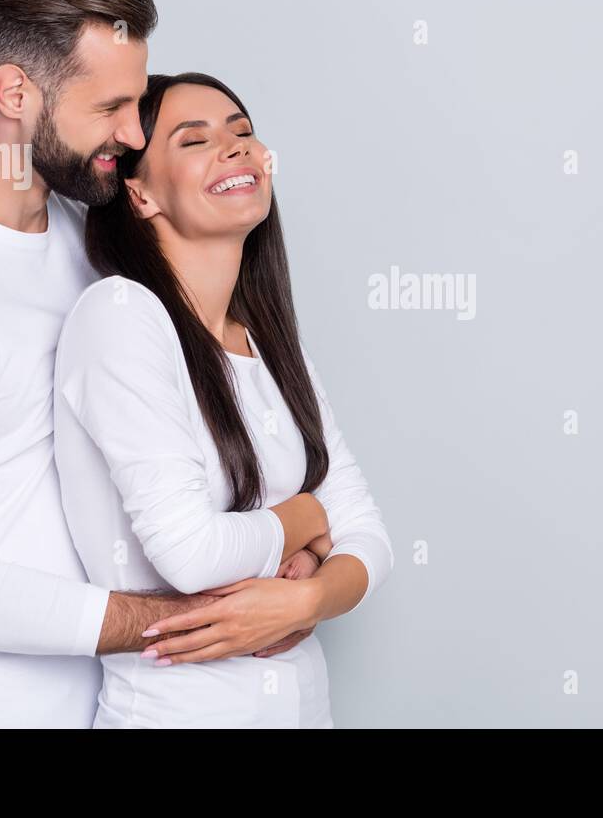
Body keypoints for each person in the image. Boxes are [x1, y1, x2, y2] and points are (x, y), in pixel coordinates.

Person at [0, 0, 309, 728]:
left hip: (115, 707)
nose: (133, 130)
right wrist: (204, 621)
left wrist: (295, 570)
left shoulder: (105, 244)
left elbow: (232, 420)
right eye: (111, 107)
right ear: (15, 91)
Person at [54, 72, 393, 727]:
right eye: (196, 140)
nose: (237, 148)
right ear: (141, 193)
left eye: (243, 132)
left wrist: (309, 599)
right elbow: (189, 555)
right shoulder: (121, 315)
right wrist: (303, 519)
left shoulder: (266, 345)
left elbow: (370, 536)